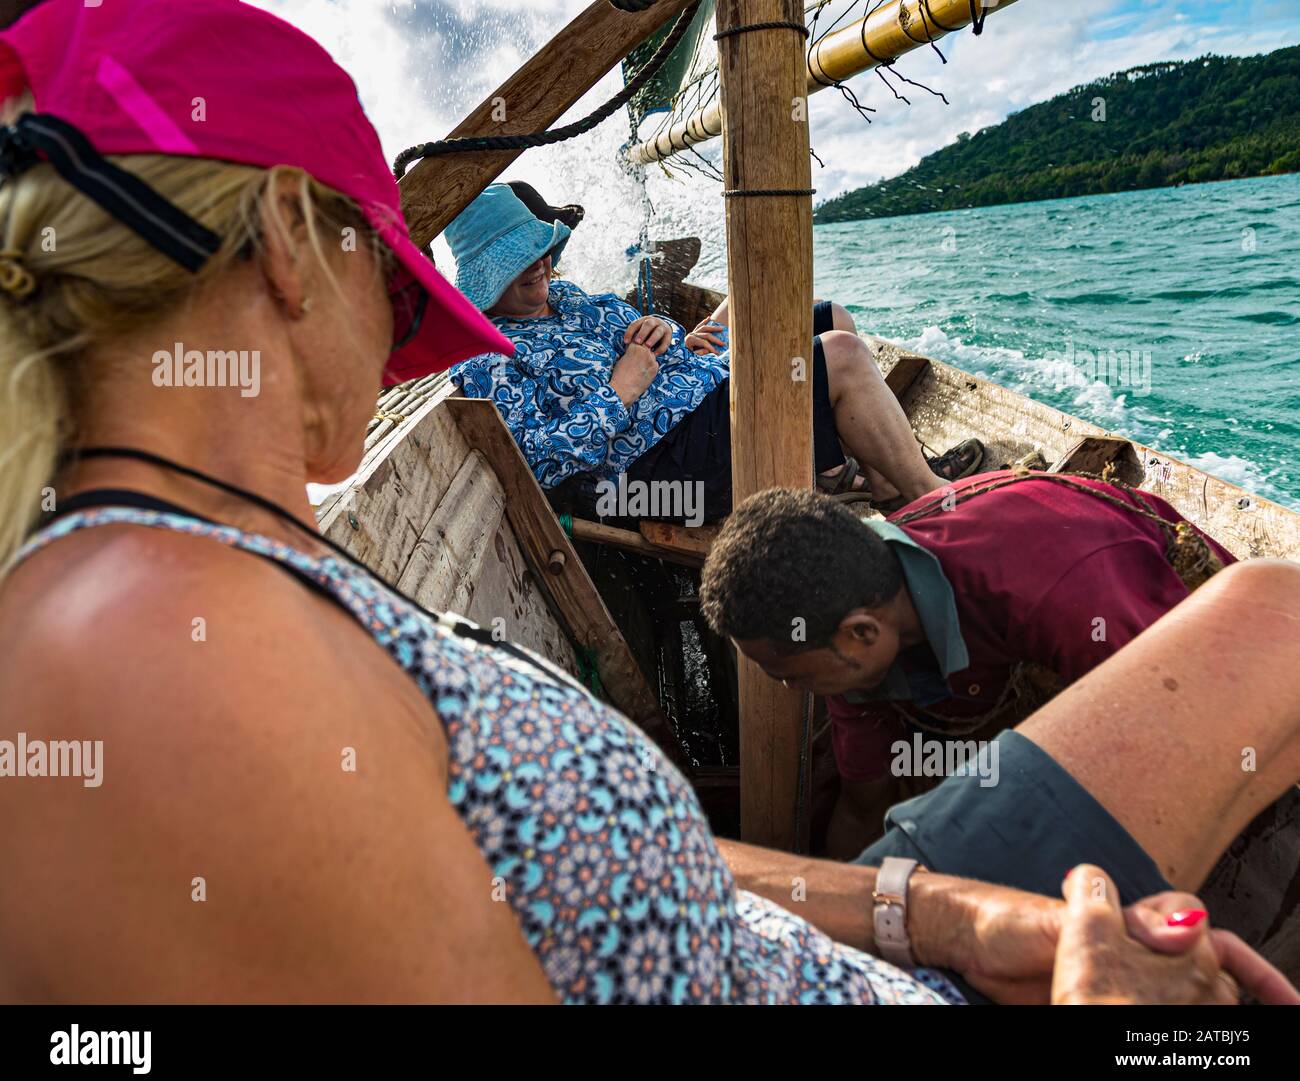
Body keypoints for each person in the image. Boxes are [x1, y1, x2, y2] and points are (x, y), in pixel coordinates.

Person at [0, 0, 1292, 1007]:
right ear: (292, 238)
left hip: (897, 946)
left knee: (1268, 615)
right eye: (393, 295)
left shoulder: (201, 573)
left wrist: (938, 912)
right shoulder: (147, 654)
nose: (397, 347)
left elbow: (592, 870)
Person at [698, 483, 1240, 859]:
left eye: (796, 677)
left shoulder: (1063, 596)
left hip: (1176, 664)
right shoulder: (851, 631)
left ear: (862, 633)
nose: (793, 691)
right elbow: (865, 802)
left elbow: (1179, 755)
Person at [445, 184, 984, 524]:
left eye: (537, 250)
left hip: (700, 393)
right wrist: (620, 390)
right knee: (838, 354)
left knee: (824, 317)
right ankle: (929, 502)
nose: (537, 266)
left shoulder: (564, 298)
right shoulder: (485, 356)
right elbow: (537, 465)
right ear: (484, 280)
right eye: (515, 261)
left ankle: (881, 474)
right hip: (662, 470)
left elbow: (638, 343)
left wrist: (664, 331)